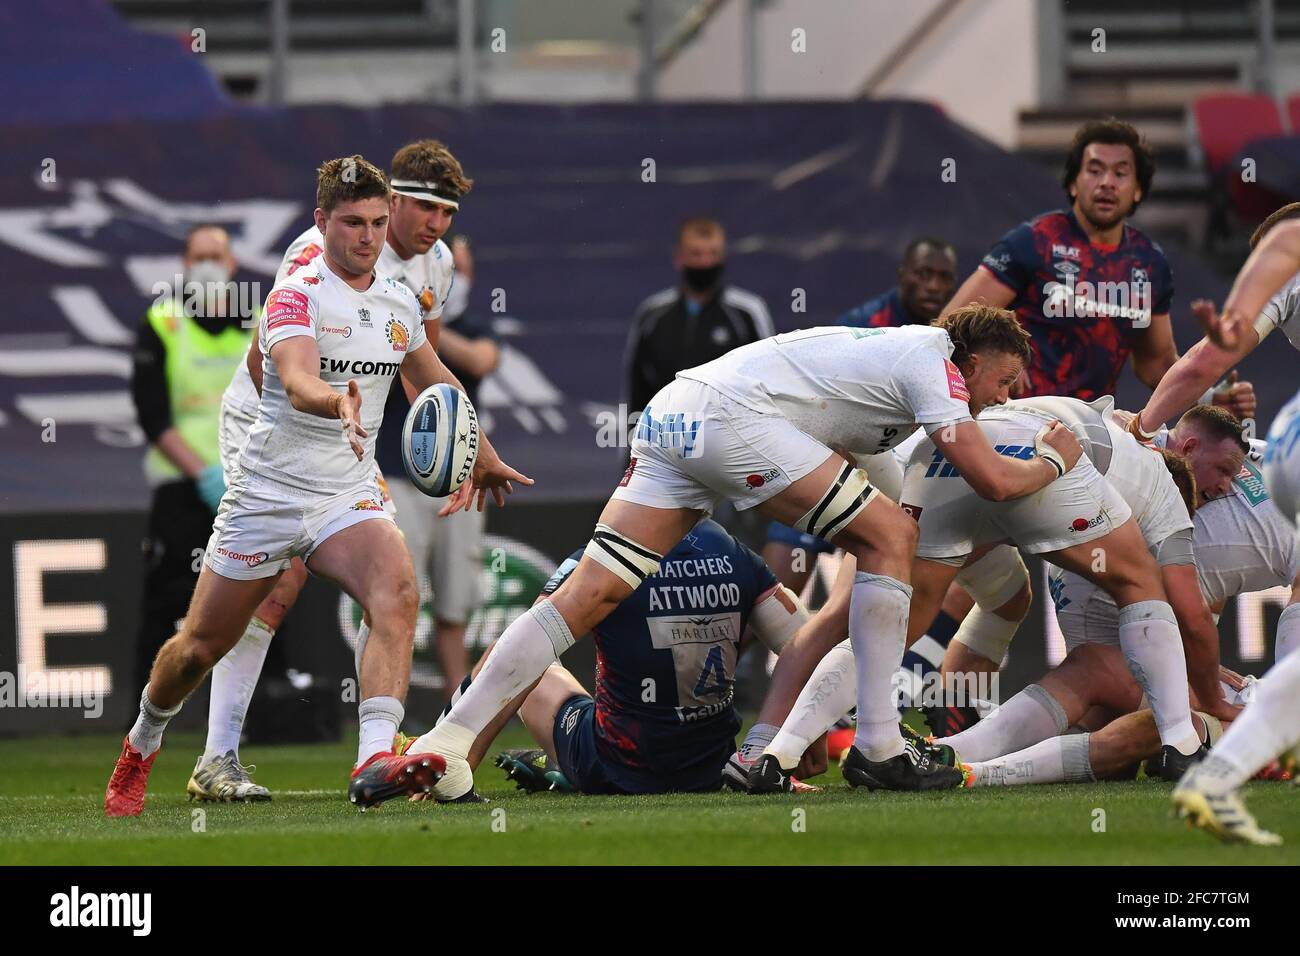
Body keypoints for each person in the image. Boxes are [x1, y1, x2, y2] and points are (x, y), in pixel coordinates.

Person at [392, 305, 1084, 804]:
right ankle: (877, 746)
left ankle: (448, 743)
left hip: (675, 410)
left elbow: (893, 515)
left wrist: (889, 559)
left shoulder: (884, 381)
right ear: (974, 358)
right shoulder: (934, 362)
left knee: (588, 594)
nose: (1011, 395)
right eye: (1009, 379)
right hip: (729, 419)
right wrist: (1055, 458)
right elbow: (990, 479)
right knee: (890, 539)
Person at [105, 155, 529, 817]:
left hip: (346, 485)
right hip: (269, 484)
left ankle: (373, 763)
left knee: (396, 589)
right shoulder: (296, 290)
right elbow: (295, 376)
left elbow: (437, 378)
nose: (367, 236)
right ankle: (144, 740)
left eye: (375, 223)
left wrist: (481, 453)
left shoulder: (401, 296)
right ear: (321, 222)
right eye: (354, 222)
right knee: (197, 647)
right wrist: (331, 400)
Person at [184, 140, 472, 801]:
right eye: (424, 207)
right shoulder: (311, 260)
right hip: (272, 426)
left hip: (349, 434)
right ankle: (217, 755)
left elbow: (407, 361)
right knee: (277, 585)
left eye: (447, 213)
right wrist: (323, 424)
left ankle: (377, 750)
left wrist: (461, 447)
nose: (434, 224)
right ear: (393, 199)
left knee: (392, 581)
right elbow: (269, 371)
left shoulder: (436, 267)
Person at [746, 394, 1213, 791]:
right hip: (1038, 460)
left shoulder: (1093, 425)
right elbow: (1189, 616)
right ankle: (1180, 745)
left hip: (944, 457)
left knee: (974, 605)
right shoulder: (1163, 491)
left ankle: (777, 755)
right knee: (1140, 585)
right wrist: (1211, 697)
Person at [403, 519, 813, 795]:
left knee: (527, 657)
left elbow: (518, 647)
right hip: (711, 768)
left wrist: (465, 754)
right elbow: (805, 645)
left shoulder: (604, 557)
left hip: (616, 766)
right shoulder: (736, 553)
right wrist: (791, 741)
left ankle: (460, 749)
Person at [943, 118, 1185, 402]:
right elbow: (950, 326)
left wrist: (1210, 397)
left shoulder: (1149, 263)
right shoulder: (1034, 241)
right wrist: (997, 358)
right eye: (1095, 171)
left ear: (1138, 190)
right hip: (1017, 415)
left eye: (1120, 173)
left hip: (1092, 423)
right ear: (1073, 183)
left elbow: (1157, 364)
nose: (1106, 183)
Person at [129, 225, 253, 705]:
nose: (207, 265)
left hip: (248, 484)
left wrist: (240, 474)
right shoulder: (162, 321)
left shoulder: (259, 320)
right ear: (184, 262)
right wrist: (205, 473)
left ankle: (266, 710)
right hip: (184, 485)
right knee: (165, 595)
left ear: (232, 264)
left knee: (259, 599)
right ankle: (145, 707)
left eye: (216, 256)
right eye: (199, 256)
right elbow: (151, 413)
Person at [380, 235, 499, 703]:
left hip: (459, 475)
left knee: (456, 598)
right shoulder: (379, 316)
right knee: (392, 593)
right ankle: (387, 705)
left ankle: (458, 704)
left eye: (461, 272)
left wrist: (419, 320)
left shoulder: (469, 325)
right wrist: (409, 316)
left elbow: (482, 360)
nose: (457, 279)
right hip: (394, 469)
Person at [1132, 202, 1300, 439]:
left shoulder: (1285, 261)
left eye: (1262, 263)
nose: (1260, 280)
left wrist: (1138, 431)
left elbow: (1203, 362)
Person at [623, 217, 774, 419]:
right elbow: (636, 385)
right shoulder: (652, 314)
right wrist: (632, 443)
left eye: (713, 254)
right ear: (679, 258)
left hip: (729, 437)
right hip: (666, 435)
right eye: (696, 254)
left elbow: (769, 380)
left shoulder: (747, 312)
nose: (705, 262)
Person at [837, 237, 958, 328]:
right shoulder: (858, 327)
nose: (934, 286)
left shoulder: (963, 330)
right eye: (923, 274)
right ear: (902, 275)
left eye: (945, 277)